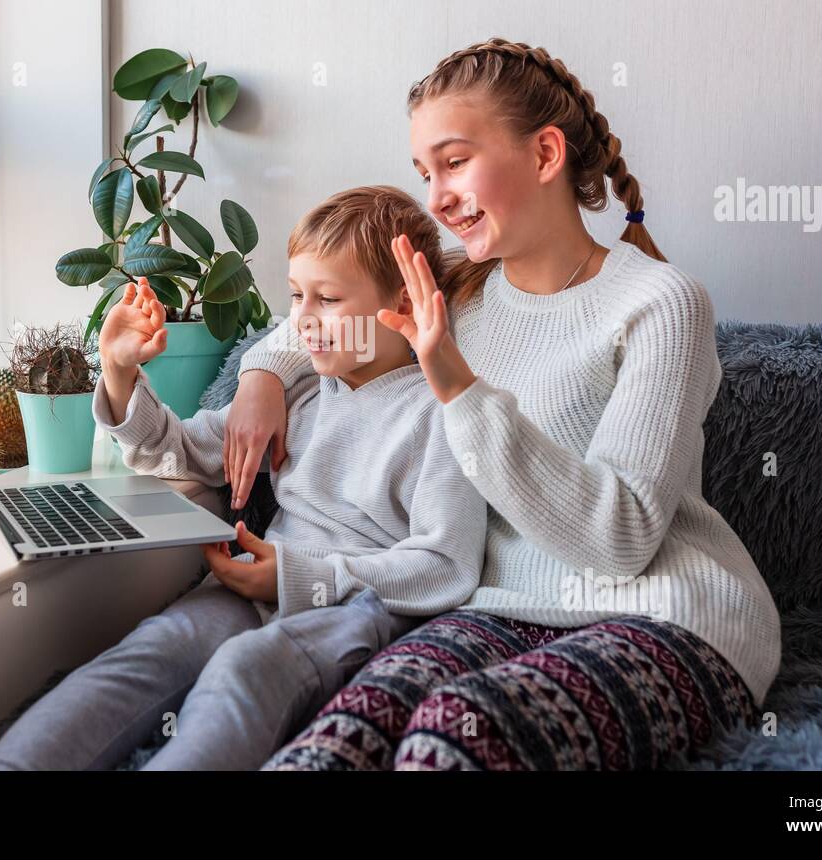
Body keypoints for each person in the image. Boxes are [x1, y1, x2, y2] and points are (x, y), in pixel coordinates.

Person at [225, 38, 783, 770]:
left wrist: (457, 385)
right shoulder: (457, 291)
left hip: (664, 613)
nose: (435, 198)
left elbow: (620, 538)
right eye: (425, 173)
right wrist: (260, 376)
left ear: (546, 154)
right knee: (337, 742)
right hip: (495, 607)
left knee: (451, 739)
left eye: (455, 162)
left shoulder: (661, 303)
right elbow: (327, 313)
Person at [0, 185, 486, 771]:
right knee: (153, 648)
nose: (303, 323)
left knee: (243, 673)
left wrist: (296, 577)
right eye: (296, 297)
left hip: (359, 607)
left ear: (405, 304)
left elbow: (448, 565)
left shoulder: (443, 414)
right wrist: (118, 371)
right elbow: (176, 451)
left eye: (329, 299)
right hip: (255, 581)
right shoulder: (301, 391)